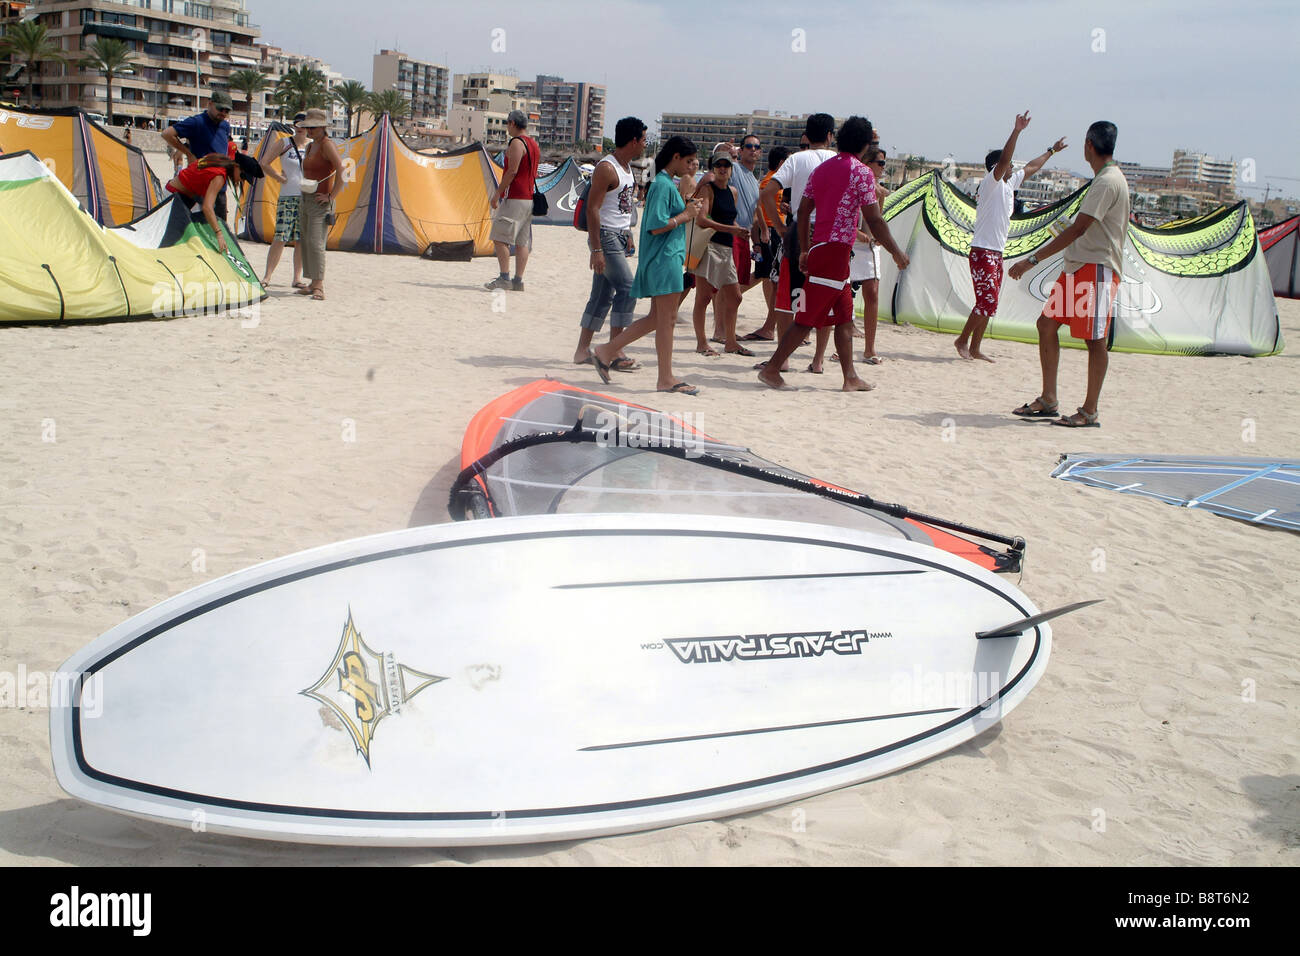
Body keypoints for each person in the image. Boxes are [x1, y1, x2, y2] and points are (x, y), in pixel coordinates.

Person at [757, 116, 908, 392]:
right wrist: (896, 251)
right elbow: (874, 220)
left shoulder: (823, 170)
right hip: (836, 252)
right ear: (865, 145)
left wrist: (805, 248)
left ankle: (850, 376)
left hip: (821, 248)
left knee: (844, 316)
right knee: (807, 318)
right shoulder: (861, 172)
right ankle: (771, 368)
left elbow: (803, 211)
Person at [1007, 121, 1129, 427]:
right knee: (1046, 325)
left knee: (1094, 340)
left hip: (1096, 268)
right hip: (1079, 267)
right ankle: (1049, 399)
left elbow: (1078, 228)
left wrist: (1031, 260)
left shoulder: (1107, 181)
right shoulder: (1106, 178)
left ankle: (1089, 411)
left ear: (1089, 145)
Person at [591, 136, 704, 395]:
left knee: (661, 318)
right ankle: (665, 377)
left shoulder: (663, 183)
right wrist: (686, 216)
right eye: (687, 161)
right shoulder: (663, 184)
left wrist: (685, 210)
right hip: (664, 259)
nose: (691, 166)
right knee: (666, 320)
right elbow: (655, 226)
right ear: (675, 157)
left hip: (666, 257)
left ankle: (607, 351)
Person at [955, 112, 1067, 361]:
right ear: (998, 167)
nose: (1014, 168)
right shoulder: (991, 182)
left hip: (996, 252)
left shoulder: (1008, 184)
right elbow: (1006, 159)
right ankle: (962, 341)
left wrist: (1052, 151)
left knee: (990, 303)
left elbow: (1032, 167)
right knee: (985, 300)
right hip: (983, 250)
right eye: (1009, 165)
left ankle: (975, 348)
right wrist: (1017, 131)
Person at [758, 114, 837, 370]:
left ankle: (785, 358)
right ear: (829, 135)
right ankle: (818, 360)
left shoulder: (797, 159)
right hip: (828, 232)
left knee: (789, 296)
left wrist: (780, 226)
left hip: (798, 228)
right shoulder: (838, 160)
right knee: (825, 296)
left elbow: (768, 192)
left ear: (806, 135)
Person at [572, 117, 648, 368]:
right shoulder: (607, 167)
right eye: (644, 140)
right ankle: (614, 349)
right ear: (634, 140)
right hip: (604, 236)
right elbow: (593, 210)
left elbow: (622, 209)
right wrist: (596, 250)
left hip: (618, 235)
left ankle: (582, 350)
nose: (645, 145)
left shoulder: (626, 167)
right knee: (627, 286)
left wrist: (627, 234)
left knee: (602, 295)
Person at [691, 153, 750, 356]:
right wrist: (730, 229)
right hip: (709, 247)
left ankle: (730, 341)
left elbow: (729, 219)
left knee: (735, 297)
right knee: (704, 297)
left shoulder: (732, 192)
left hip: (726, 249)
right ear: (713, 169)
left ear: (731, 169)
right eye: (719, 166)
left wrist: (737, 228)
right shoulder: (708, 189)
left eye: (726, 165)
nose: (723, 169)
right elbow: (702, 220)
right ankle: (701, 342)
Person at [845, 146, 893, 366]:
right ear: (868, 163)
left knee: (872, 292)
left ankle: (869, 348)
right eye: (880, 163)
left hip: (869, 245)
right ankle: (842, 345)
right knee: (843, 296)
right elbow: (844, 214)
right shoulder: (853, 183)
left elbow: (876, 219)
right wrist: (858, 233)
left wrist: (876, 237)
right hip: (851, 241)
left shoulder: (879, 190)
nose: (883, 167)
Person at [164, 151, 263, 256]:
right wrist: (219, 234)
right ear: (236, 166)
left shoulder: (217, 159)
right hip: (175, 198)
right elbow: (207, 207)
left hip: (177, 194)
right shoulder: (219, 176)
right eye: (242, 176)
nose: (241, 180)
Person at [740, 145, 791, 343]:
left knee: (769, 276)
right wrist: (763, 231)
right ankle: (729, 292)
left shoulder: (774, 181)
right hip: (769, 231)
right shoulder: (771, 181)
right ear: (781, 163)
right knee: (765, 274)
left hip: (771, 230)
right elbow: (758, 205)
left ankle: (772, 320)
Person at [485, 110, 540, 291]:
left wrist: (498, 194)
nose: (507, 127)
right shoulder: (533, 144)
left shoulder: (517, 143)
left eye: (507, 123)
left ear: (513, 123)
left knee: (500, 237)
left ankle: (504, 278)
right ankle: (518, 280)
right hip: (529, 197)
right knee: (522, 241)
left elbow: (512, 171)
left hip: (516, 197)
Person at [295, 108, 345, 302]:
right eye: (308, 128)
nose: (310, 131)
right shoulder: (310, 146)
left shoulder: (326, 145)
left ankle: (319, 285)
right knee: (307, 241)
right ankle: (312, 282)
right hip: (307, 197)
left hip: (319, 201)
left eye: (313, 127)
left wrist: (331, 196)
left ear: (323, 127)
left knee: (316, 242)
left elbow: (341, 170)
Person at [163, 92, 234, 219]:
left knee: (221, 229)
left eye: (227, 110)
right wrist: (188, 153)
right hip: (201, 186)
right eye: (220, 109)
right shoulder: (196, 122)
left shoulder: (225, 125)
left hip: (220, 188)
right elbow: (167, 134)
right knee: (201, 227)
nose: (223, 113)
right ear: (210, 104)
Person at [261, 112, 310, 289]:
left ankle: (297, 278)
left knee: (301, 239)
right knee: (280, 236)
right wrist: (278, 177)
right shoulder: (285, 143)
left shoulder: (312, 146)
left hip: (306, 196)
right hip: (287, 195)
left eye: (306, 125)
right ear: (294, 125)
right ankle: (267, 276)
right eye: (299, 124)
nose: (302, 128)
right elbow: (264, 162)